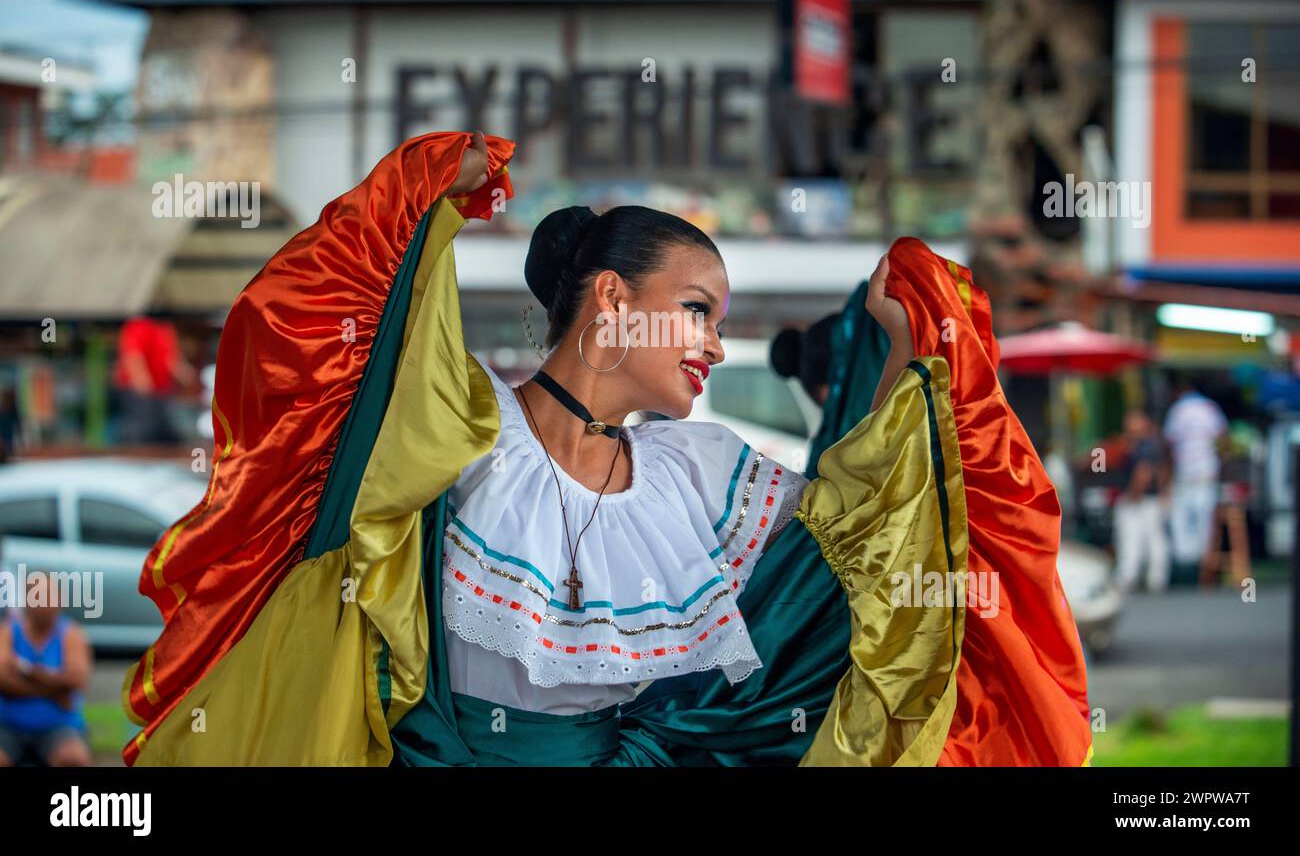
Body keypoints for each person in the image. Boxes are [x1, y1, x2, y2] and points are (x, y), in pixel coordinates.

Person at [119, 131, 1092, 767]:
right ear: (612, 301)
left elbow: (871, 523)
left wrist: (912, 347)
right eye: (698, 311)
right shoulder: (468, 437)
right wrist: (414, 208)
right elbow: (325, 360)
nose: (714, 344)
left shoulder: (698, 473)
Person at [0, 572, 93, 767]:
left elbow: (76, 680)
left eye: (49, 595)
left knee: (73, 758)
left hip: (59, 726)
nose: (44, 603)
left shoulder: (71, 634)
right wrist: (56, 692)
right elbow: (3, 679)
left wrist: (25, 671)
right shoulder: (8, 631)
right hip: (8, 726)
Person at [1163, 379, 1228, 581]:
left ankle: (1190, 568)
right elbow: (1224, 440)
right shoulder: (1210, 408)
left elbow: (1169, 445)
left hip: (1186, 475)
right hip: (1206, 473)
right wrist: (1221, 463)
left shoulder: (1177, 411)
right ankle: (1203, 568)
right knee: (1204, 522)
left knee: (1182, 522)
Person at [112, 315, 196, 445]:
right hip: (141, 393)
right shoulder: (139, 325)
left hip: (161, 393)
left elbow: (171, 358)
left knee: (166, 434)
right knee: (143, 433)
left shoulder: (165, 327)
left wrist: (186, 375)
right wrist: (141, 380)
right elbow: (133, 355)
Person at [1113, 409, 1170, 593]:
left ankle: (1128, 576)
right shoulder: (1154, 444)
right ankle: (1156, 578)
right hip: (1152, 498)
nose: (1128, 426)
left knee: (1132, 539)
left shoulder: (1146, 446)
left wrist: (1133, 496)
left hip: (1141, 499)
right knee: (1154, 539)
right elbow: (1162, 470)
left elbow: (1143, 473)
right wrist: (1163, 492)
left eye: (1132, 422)